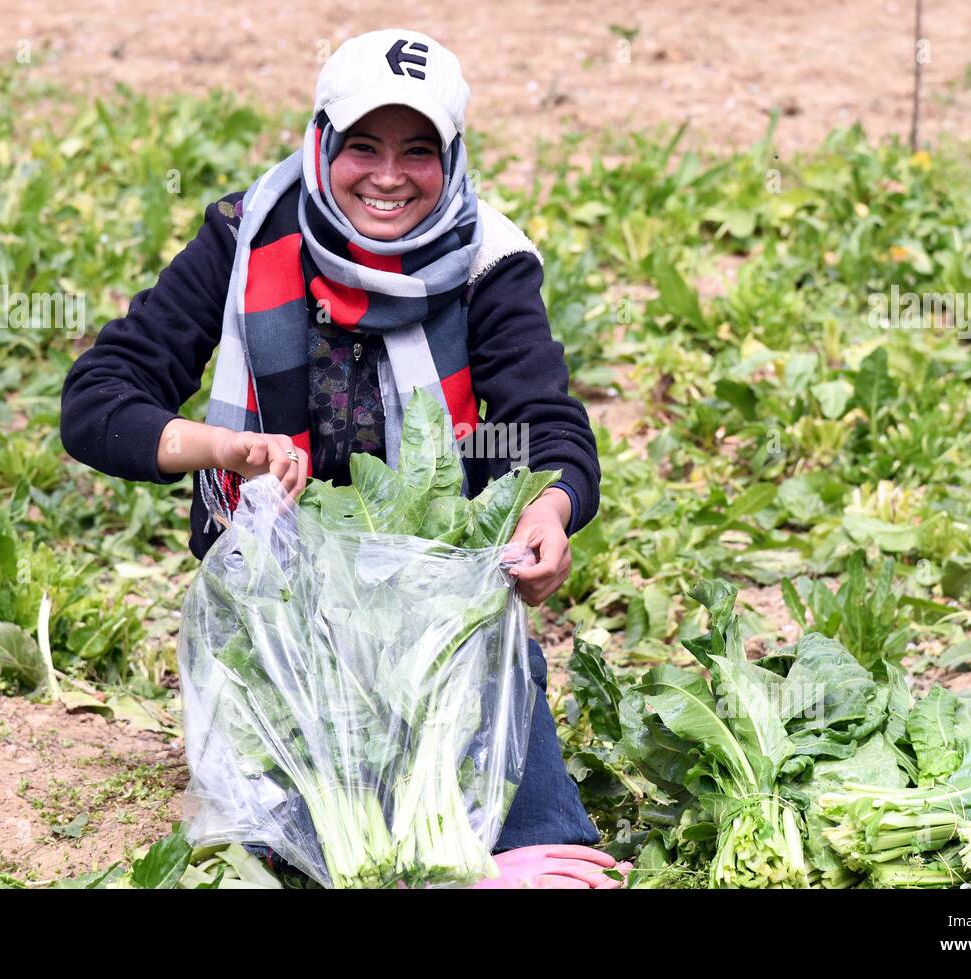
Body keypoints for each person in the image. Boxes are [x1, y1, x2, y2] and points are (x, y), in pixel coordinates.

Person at [60, 27, 626, 889]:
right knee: (292, 820)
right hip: (280, 612)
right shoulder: (244, 238)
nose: (389, 176)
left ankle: (484, 854)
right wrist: (221, 447)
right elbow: (98, 401)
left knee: (511, 775)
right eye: (362, 146)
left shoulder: (488, 261)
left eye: (418, 151)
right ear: (321, 142)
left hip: (435, 616)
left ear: (454, 157)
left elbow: (546, 422)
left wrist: (548, 509)